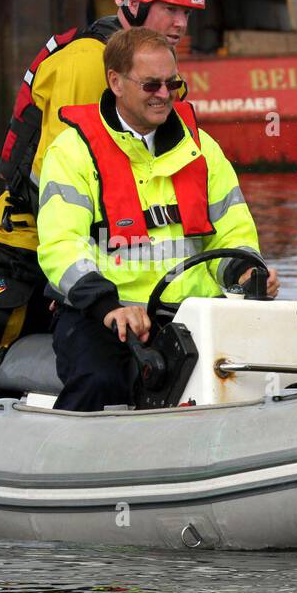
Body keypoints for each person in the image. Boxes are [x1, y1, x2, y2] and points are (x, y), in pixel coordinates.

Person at [0, 0, 207, 396]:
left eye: (186, 13)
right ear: (131, 4)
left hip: (90, 246)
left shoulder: (146, 67)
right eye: (169, 9)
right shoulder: (86, 62)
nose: (179, 24)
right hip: (28, 241)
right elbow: (63, 167)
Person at [37, 26, 277, 411]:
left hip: (193, 313)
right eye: (151, 85)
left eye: (173, 84)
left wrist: (243, 272)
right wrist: (108, 306)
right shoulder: (71, 152)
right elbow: (60, 246)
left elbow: (232, 230)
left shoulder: (202, 148)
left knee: (258, 376)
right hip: (101, 315)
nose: (164, 95)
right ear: (115, 81)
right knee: (98, 382)